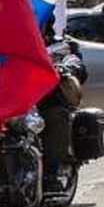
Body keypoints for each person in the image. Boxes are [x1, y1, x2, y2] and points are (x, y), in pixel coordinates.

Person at [39, 16, 85, 193]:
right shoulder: (12, 42)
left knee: (56, 116)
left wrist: (69, 68)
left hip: (47, 100)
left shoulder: (58, 45)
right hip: (14, 100)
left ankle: (52, 173)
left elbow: (74, 60)